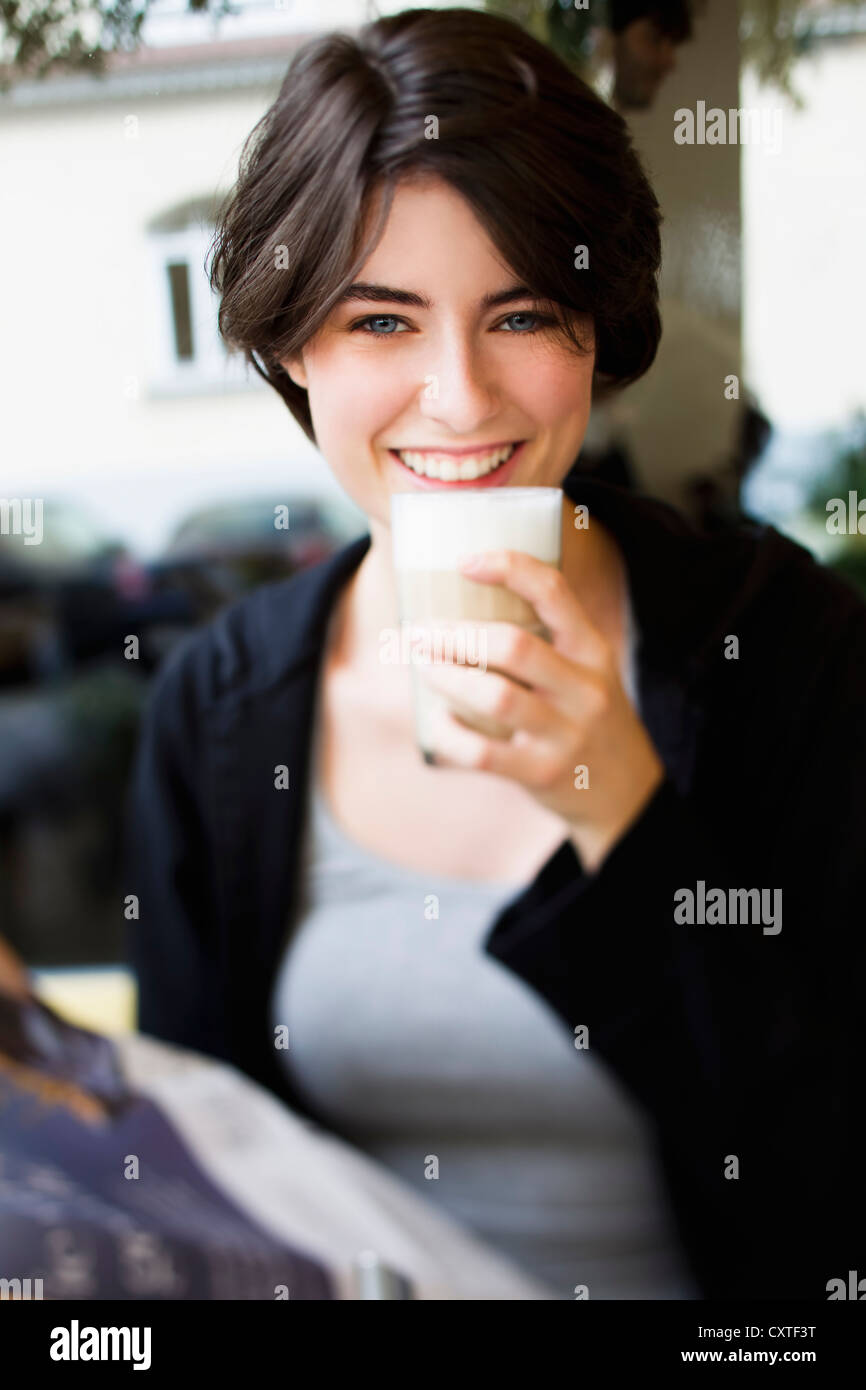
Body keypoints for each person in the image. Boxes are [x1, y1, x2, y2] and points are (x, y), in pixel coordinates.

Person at [124, 7, 865, 1300]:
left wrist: (622, 819)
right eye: (380, 323)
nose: (461, 398)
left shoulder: (783, 649)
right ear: (294, 343)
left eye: (520, 316)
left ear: (593, 329)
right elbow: (207, 1180)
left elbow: (832, 1185)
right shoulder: (222, 708)